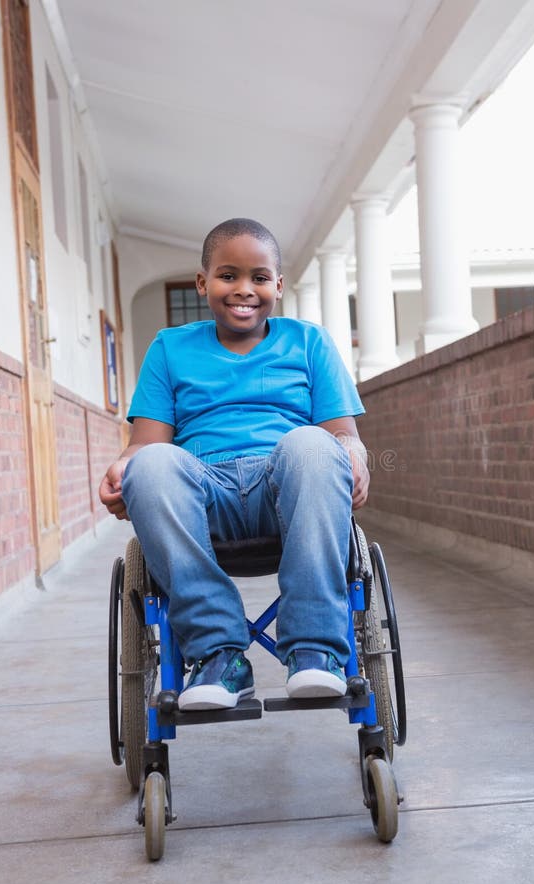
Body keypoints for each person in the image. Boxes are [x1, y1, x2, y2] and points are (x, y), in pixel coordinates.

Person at [99, 218, 370, 711]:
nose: (244, 289)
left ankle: (314, 649)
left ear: (279, 286)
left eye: (260, 278)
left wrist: (353, 458)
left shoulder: (309, 342)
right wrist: (126, 470)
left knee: (311, 444)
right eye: (228, 275)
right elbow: (146, 445)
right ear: (203, 282)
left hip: (287, 485)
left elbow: (343, 435)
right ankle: (219, 655)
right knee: (153, 465)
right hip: (204, 495)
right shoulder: (170, 347)